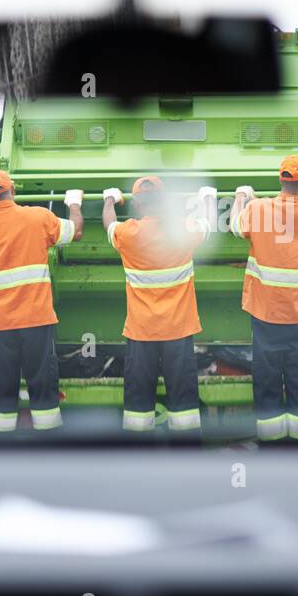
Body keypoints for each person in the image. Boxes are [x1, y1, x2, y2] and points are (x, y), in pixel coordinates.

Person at [103, 176, 216, 437]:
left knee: (138, 401)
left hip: (141, 333)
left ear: (138, 204)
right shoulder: (182, 231)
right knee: (184, 401)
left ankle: (138, 454)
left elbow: (110, 224)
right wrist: (208, 197)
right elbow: (209, 223)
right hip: (178, 331)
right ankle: (186, 455)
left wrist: (110, 199)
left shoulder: (129, 233)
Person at [0, 170, 83, 435]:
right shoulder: (37, 218)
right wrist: (74, 203)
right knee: (42, 386)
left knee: (2, 391)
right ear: (13, 189)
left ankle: (2, 449)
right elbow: (76, 231)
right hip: (36, 320)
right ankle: (47, 446)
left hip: (1, 325)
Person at [229, 156, 298, 442]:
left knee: (267, 381)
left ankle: (271, 447)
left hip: (265, 315)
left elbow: (236, 225)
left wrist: (242, 195)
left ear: (281, 180)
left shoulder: (258, 210)